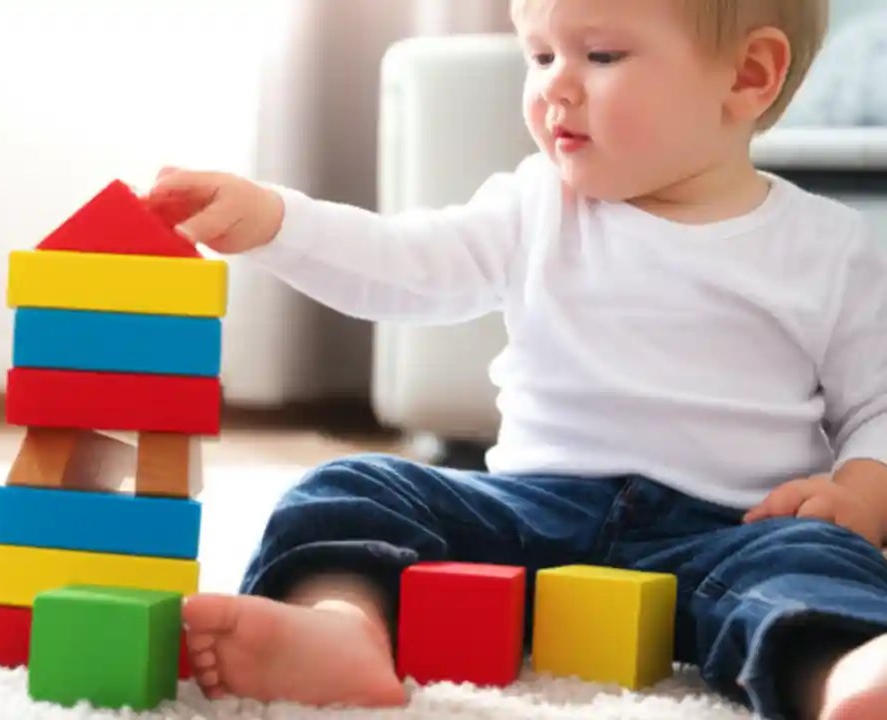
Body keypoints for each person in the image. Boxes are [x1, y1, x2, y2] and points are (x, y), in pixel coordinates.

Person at [144, 1, 887, 718]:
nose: (553, 86)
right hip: (532, 517)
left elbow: (878, 406)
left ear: (748, 74)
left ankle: (843, 674)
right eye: (539, 55)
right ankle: (342, 621)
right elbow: (404, 264)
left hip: (730, 532)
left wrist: (859, 493)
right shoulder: (535, 204)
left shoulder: (831, 249)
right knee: (350, 486)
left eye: (599, 56)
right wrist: (276, 220)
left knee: (811, 562)